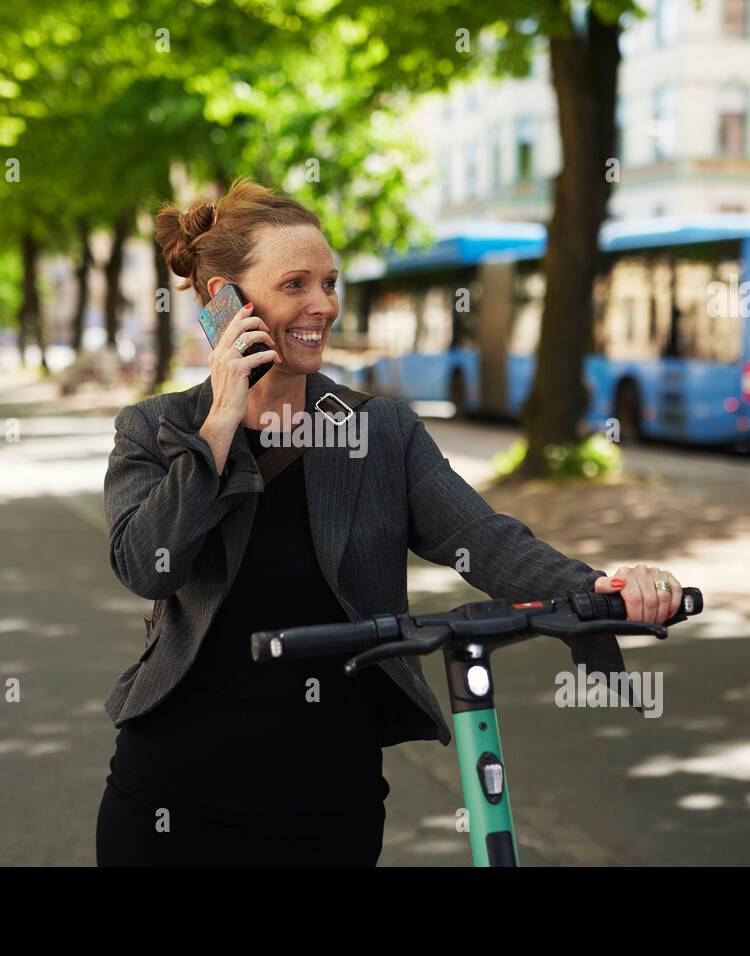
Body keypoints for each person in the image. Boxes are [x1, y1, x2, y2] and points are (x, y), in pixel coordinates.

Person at [95, 178, 684, 866]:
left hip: (327, 798)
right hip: (174, 795)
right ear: (228, 301)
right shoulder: (155, 428)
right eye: (296, 285)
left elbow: (484, 542)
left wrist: (605, 589)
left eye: (330, 282)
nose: (324, 305)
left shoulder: (378, 432)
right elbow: (145, 564)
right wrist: (221, 422)